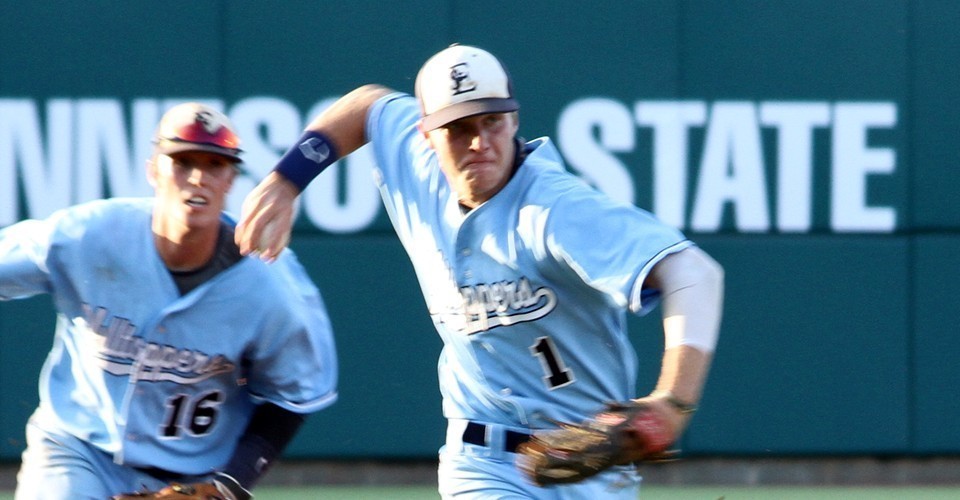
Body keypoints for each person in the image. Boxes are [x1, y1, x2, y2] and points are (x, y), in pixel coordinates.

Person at [236, 44, 723, 499]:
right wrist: (288, 178)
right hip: (480, 459)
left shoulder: (557, 211)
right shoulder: (417, 168)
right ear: (425, 135)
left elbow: (695, 273)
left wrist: (672, 401)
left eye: (492, 121)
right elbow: (369, 104)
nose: (479, 142)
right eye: (459, 128)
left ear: (515, 121)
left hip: (589, 465)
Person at [0, 102, 338, 499]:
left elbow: (293, 398)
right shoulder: (88, 236)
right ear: (154, 169)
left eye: (215, 164)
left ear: (230, 179)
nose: (198, 177)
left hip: (194, 476)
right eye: (182, 161)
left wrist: (227, 486)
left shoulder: (271, 285)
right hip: (77, 450)